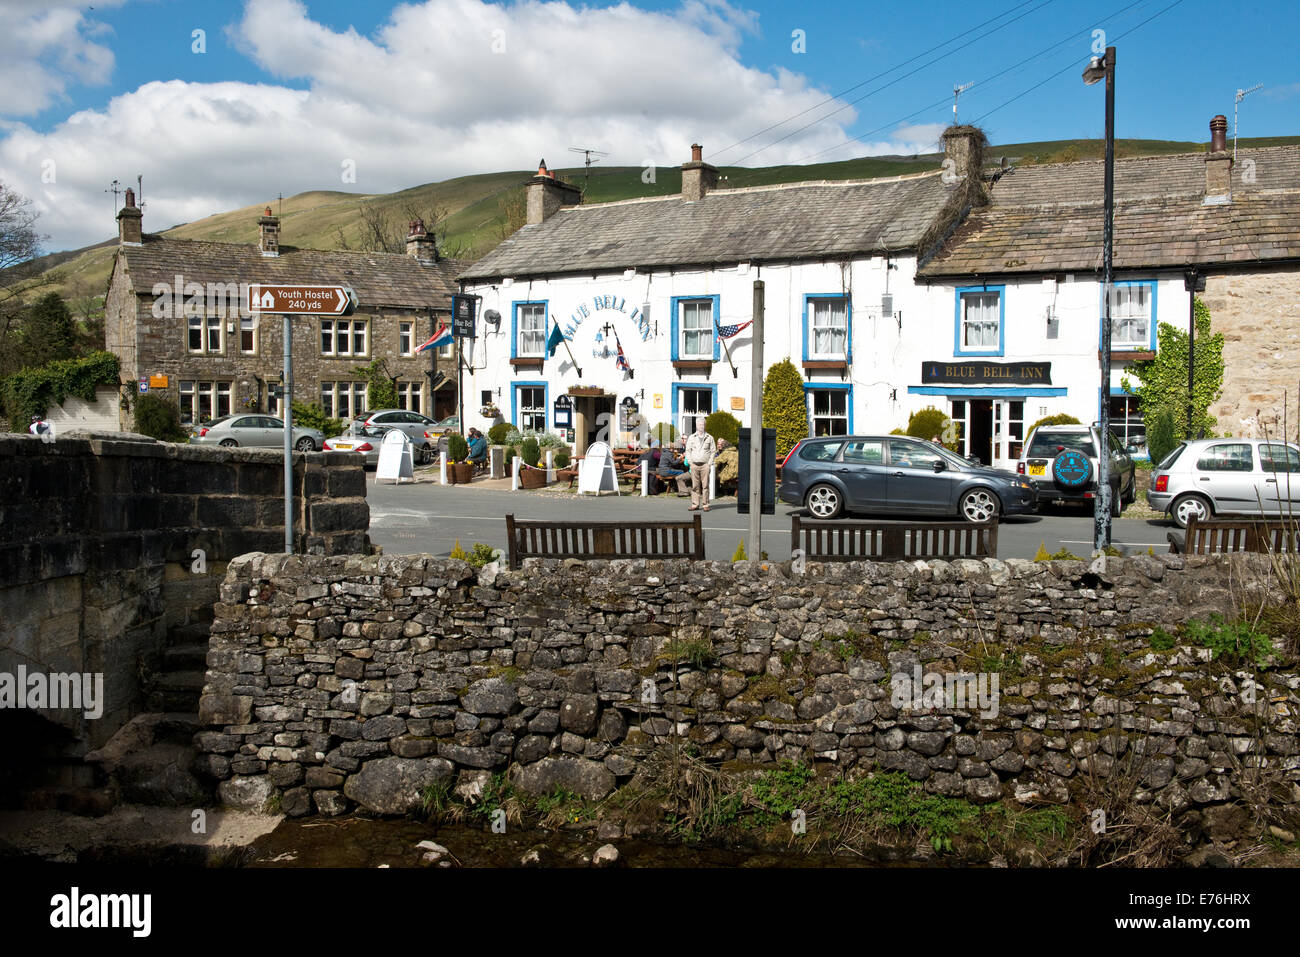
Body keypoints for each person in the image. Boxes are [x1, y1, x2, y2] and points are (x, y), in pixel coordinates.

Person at [684, 419, 717, 511]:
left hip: (705, 465)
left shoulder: (710, 437)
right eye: (699, 424)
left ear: (705, 425)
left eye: (702, 424)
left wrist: (709, 463)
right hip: (694, 465)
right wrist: (690, 462)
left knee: (705, 485)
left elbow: (713, 451)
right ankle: (695, 504)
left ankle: (705, 505)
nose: (701, 426)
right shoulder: (691, 437)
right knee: (695, 485)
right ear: (696, 425)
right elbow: (688, 451)